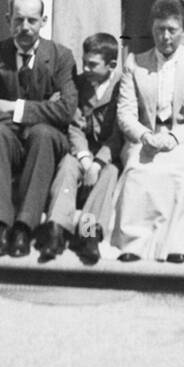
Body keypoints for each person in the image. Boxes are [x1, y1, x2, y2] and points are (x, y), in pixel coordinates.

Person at [0, 0, 78, 259]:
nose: (25, 27)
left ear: (44, 21)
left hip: (46, 142)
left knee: (43, 133)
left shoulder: (61, 56)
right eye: (18, 20)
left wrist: (13, 107)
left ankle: (23, 227)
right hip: (6, 139)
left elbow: (66, 109)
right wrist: (41, 110)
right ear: (9, 21)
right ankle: (2, 226)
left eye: (32, 20)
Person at [113, 0, 184, 262]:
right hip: (145, 136)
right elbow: (125, 113)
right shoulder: (135, 63)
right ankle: (133, 242)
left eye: (172, 29)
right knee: (137, 171)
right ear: (151, 28)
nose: (165, 37)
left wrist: (173, 137)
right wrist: (145, 136)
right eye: (159, 29)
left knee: (180, 173)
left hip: (181, 138)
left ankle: (178, 243)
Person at [40, 33, 124, 264]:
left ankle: (88, 235)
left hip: (108, 154)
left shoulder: (122, 86)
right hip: (82, 150)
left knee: (110, 174)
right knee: (67, 165)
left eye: (93, 64)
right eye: (84, 61)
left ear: (112, 65)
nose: (85, 67)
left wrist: (97, 164)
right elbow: (75, 126)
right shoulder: (78, 84)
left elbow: (119, 134)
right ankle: (56, 230)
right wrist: (86, 159)